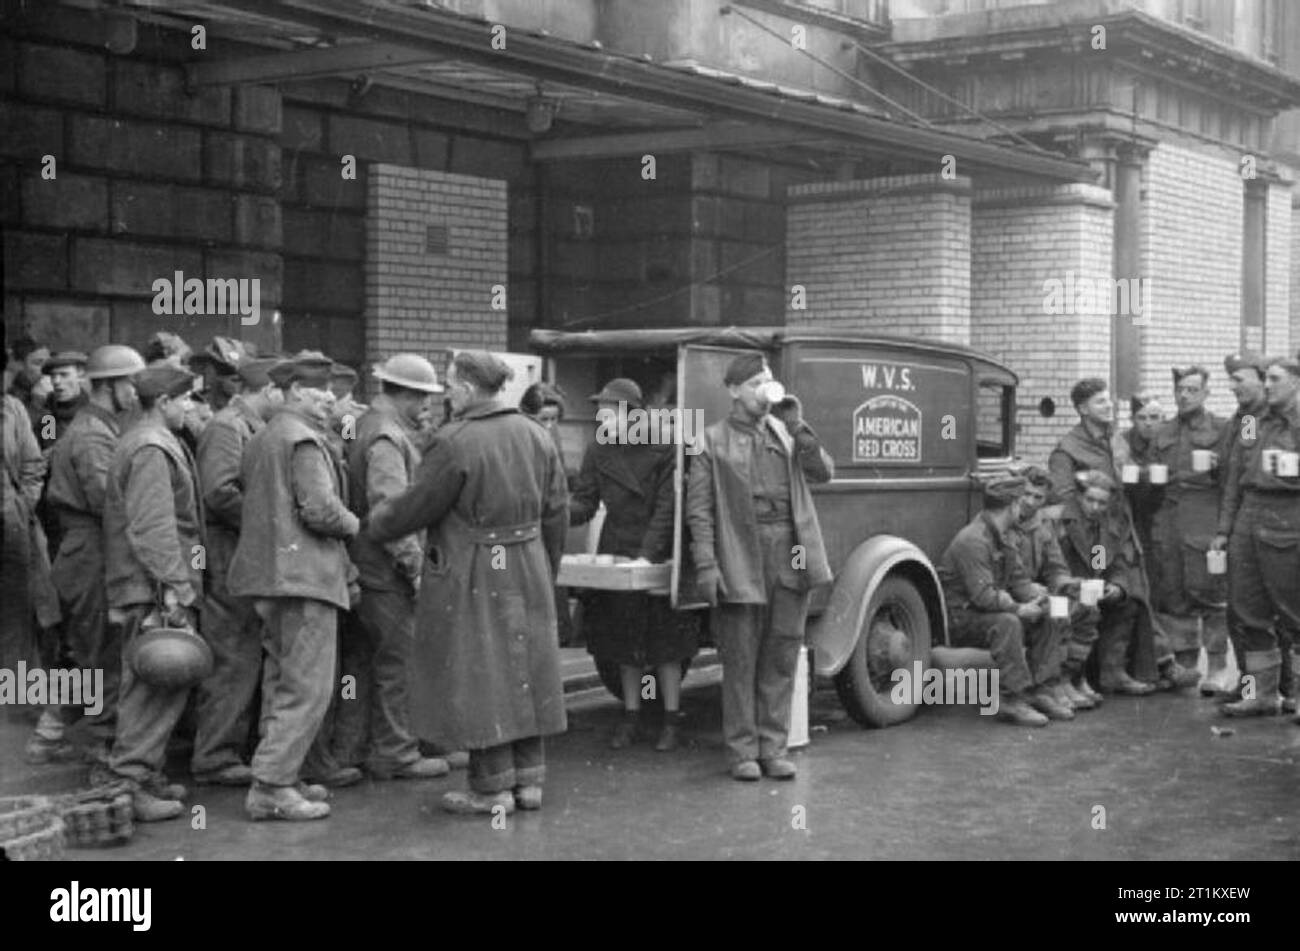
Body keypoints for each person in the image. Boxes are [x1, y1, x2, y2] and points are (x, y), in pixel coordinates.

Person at [368, 351, 569, 815]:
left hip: (476, 566)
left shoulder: (453, 440)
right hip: (528, 562)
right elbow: (556, 510)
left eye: (451, 384)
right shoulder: (537, 434)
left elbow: (418, 504)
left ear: (466, 388)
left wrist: (376, 523)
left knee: (484, 673)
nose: (447, 393)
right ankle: (528, 781)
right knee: (524, 668)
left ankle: (492, 788)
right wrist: (545, 567)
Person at [685, 352, 833, 780]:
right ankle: (742, 752)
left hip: (790, 550)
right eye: (754, 384)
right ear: (733, 390)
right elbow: (699, 510)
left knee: (782, 652)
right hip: (739, 553)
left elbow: (823, 473)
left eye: (767, 381)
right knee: (741, 656)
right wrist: (707, 565)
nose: (763, 391)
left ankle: (774, 746)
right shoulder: (711, 440)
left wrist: (799, 427)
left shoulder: (787, 434)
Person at [227, 350, 359, 820]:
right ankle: (273, 786)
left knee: (282, 681)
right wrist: (355, 524)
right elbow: (320, 510)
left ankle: (280, 773)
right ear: (296, 391)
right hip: (305, 580)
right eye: (321, 390)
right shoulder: (303, 440)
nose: (330, 399)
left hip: (270, 577)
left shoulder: (264, 437)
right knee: (308, 687)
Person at [338, 353, 451, 779]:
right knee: (397, 663)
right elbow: (391, 513)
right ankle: (396, 753)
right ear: (404, 393)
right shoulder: (386, 435)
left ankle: (351, 751)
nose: (427, 405)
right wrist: (415, 567)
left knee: (362, 663)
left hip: (364, 568)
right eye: (422, 396)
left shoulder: (369, 425)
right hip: (384, 572)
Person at [100, 364, 204, 821]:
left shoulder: (150, 441)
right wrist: (176, 589)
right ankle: (130, 782)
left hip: (149, 584)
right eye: (186, 400)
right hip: (154, 587)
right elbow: (154, 527)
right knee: (151, 685)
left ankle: (143, 774)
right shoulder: (150, 446)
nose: (192, 408)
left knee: (159, 684)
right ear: (163, 403)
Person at [570, 377, 695, 752]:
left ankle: (670, 720)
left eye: (608, 414)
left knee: (665, 644)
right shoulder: (598, 450)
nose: (601, 421)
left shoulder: (665, 445)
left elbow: (666, 510)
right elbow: (585, 502)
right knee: (623, 643)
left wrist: (647, 555)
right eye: (600, 414)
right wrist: (555, 513)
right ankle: (631, 716)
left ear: (631, 415)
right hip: (617, 547)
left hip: (658, 551)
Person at [36, 345, 145, 766]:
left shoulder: (96, 428)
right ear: (110, 385)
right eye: (130, 384)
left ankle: (51, 736)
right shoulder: (93, 435)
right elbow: (109, 503)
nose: (135, 392)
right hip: (92, 553)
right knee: (104, 657)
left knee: (87, 653)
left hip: (85, 550)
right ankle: (105, 755)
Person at [1050, 378, 1194, 691]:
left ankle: (1131, 669)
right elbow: (1064, 500)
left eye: (1108, 399)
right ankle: (1153, 665)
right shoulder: (1067, 449)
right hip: (1091, 540)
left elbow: (1128, 483)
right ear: (1082, 409)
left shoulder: (1114, 440)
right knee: (1116, 594)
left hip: (1122, 530)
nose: (1109, 405)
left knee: (1133, 594)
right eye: (1101, 401)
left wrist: (1145, 480)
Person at [189, 356, 283, 787]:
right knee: (231, 656)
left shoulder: (248, 427)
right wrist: (274, 518)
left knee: (246, 653)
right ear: (266, 391)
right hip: (228, 559)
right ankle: (215, 756)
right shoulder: (227, 427)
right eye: (282, 391)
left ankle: (230, 748)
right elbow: (219, 492)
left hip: (246, 556)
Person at [939, 476, 1067, 726]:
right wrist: (1020, 608)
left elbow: (1019, 580)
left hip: (988, 610)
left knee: (1050, 612)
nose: (1026, 505)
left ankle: (1039, 690)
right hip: (962, 617)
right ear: (1013, 505)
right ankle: (1010, 698)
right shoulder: (973, 539)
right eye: (1022, 500)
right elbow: (983, 596)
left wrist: (1040, 598)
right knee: (1008, 623)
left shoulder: (1005, 536)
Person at [1212, 355, 1300, 720]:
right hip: (1249, 515)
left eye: (1275, 379)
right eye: (1266, 379)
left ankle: (1295, 694)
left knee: (1294, 613)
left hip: (1289, 515)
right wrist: (1223, 529)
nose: (1267, 385)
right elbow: (1235, 473)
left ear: (1296, 382)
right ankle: (1259, 694)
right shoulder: (1252, 423)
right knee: (1247, 610)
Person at [1147, 366, 1231, 693]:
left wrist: (1216, 465)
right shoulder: (1162, 431)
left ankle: (1219, 667)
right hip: (1168, 517)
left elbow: (1233, 477)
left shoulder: (1223, 429)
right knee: (1174, 593)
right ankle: (1185, 664)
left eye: (1192, 389)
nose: (1184, 395)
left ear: (1206, 393)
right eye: (1180, 389)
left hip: (1205, 516)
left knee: (1211, 594)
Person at [1058, 471, 1163, 696]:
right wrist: (1075, 586)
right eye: (1090, 500)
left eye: (1102, 503)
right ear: (1079, 497)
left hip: (1091, 588)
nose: (1095, 507)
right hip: (1063, 589)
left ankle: (1112, 671)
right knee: (1080, 609)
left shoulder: (1106, 527)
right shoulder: (1060, 522)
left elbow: (1114, 563)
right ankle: (1072, 676)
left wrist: (1117, 586)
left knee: (1129, 601)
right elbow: (1051, 567)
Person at [1011, 466, 1102, 710]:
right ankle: (1048, 684)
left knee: (1088, 608)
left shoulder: (1045, 524)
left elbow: (1056, 567)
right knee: (1057, 613)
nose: (1030, 502)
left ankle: (1068, 677)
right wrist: (1034, 589)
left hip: (1044, 589)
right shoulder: (1007, 523)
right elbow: (1005, 573)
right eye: (1025, 494)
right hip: (1014, 595)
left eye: (1037, 497)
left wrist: (1072, 584)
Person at [1122, 392, 1166, 557]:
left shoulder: (1171, 441)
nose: (1148, 423)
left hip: (1162, 512)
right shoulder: (1121, 443)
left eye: (1154, 417)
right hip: (1132, 513)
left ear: (1163, 418)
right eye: (1141, 418)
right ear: (1132, 419)